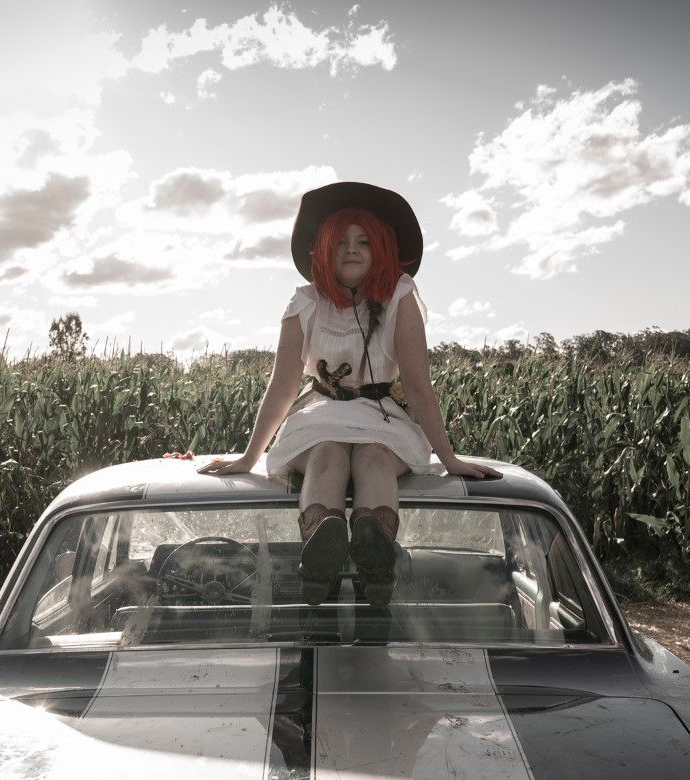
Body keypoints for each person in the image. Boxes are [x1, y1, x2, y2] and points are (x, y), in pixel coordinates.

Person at [191, 181, 501, 607]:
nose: (351, 249)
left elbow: (417, 383)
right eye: (340, 242)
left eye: (362, 241)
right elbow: (282, 385)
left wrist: (448, 459)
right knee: (327, 454)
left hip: (381, 415)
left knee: (374, 456)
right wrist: (249, 457)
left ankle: (375, 559)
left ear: (380, 249)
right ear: (322, 250)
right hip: (318, 414)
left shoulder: (399, 296)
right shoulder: (305, 302)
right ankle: (324, 547)